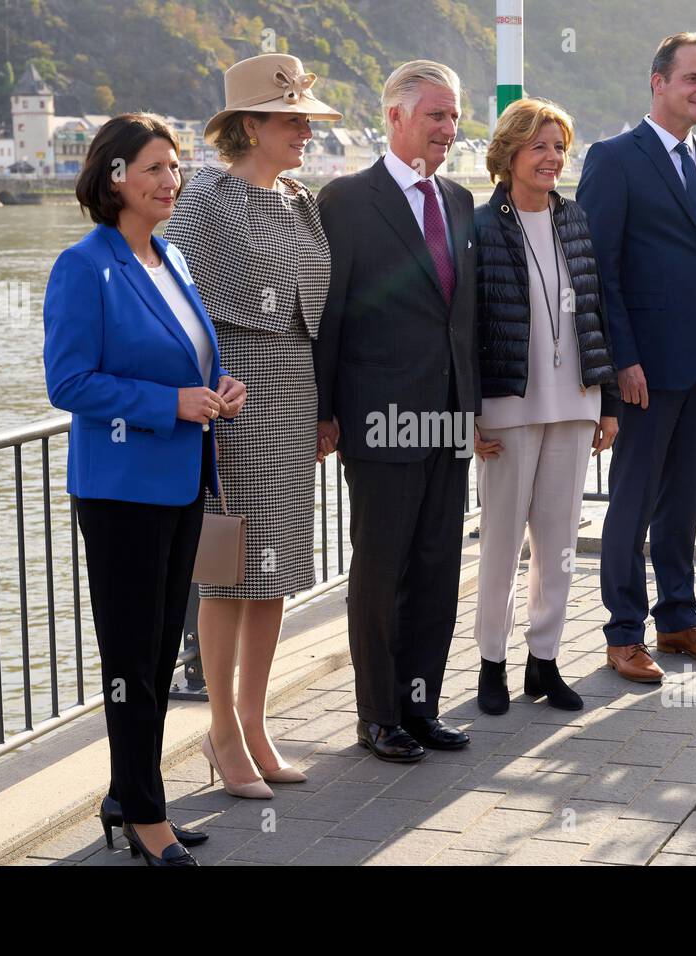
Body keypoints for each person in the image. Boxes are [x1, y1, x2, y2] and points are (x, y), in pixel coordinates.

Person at [44, 113, 246, 864]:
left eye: (175, 167)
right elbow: (69, 381)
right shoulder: (82, 265)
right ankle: (146, 817)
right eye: (155, 168)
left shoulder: (175, 260)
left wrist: (216, 388)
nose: (171, 181)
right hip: (122, 490)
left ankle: (128, 796)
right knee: (132, 656)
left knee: (160, 651)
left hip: (183, 480)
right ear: (115, 177)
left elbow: (186, 361)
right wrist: (169, 405)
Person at [166, 53, 340, 798]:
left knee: (274, 573)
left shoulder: (301, 200)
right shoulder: (202, 198)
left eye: (306, 118)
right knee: (226, 571)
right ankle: (222, 733)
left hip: (293, 394)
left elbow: (313, 318)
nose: (306, 129)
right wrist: (196, 390)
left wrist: (324, 407)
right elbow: (169, 298)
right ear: (249, 125)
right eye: (291, 118)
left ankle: (255, 723)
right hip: (232, 398)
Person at [576, 32, 696, 684]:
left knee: (682, 502)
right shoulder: (615, 159)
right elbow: (600, 272)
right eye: (692, 79)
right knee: (632, 503)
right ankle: (624, 634)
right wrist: (620, 360)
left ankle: (678, 621)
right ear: (658, 83)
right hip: (644, 371)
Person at [314, 60, 479, 762]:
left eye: (453, 115)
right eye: (435, 115)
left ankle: (419, 706)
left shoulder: (464, 200)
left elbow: (464, 317)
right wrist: (325, 414)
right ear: (395, 118)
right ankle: (376, 716)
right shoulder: (346, 200)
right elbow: (329, 315)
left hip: (449, 419)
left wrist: (476, 408)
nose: (448, 127)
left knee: (439, 567)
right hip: (379, 419)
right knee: (380, 569)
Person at [471, 97, 621, 714]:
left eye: (560, 147)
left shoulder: (576, 220)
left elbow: (596, 310)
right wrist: (470, 411)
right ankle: (490, 666)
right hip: (507, 406)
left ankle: (545, 661)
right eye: (540, 147)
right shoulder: (480, 226)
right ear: (508, 155)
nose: (553, 158)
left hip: (575, 403)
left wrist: (606, 401)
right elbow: (466, 326)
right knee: (501, 543)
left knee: (559, 542)